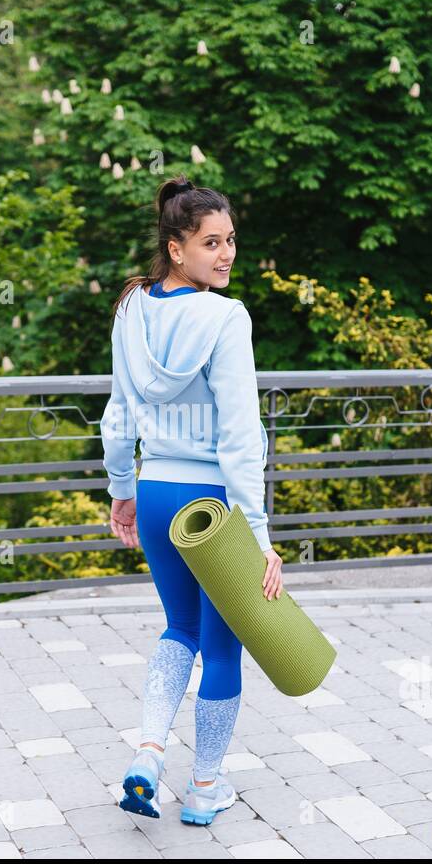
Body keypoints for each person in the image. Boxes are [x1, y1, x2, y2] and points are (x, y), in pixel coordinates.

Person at [101, 174, 282, 825]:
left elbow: (118, 417)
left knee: (179, 630)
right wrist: (258, 535)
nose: (227, 253)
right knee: (223, 645)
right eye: (211, 243)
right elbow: (239, 437)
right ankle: (204, 789)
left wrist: (122, 492)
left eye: (231, 240)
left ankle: (148, 754)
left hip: (154, 496)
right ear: (176, 248)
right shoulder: (226, 317)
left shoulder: (131, 308)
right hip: (211, 507)